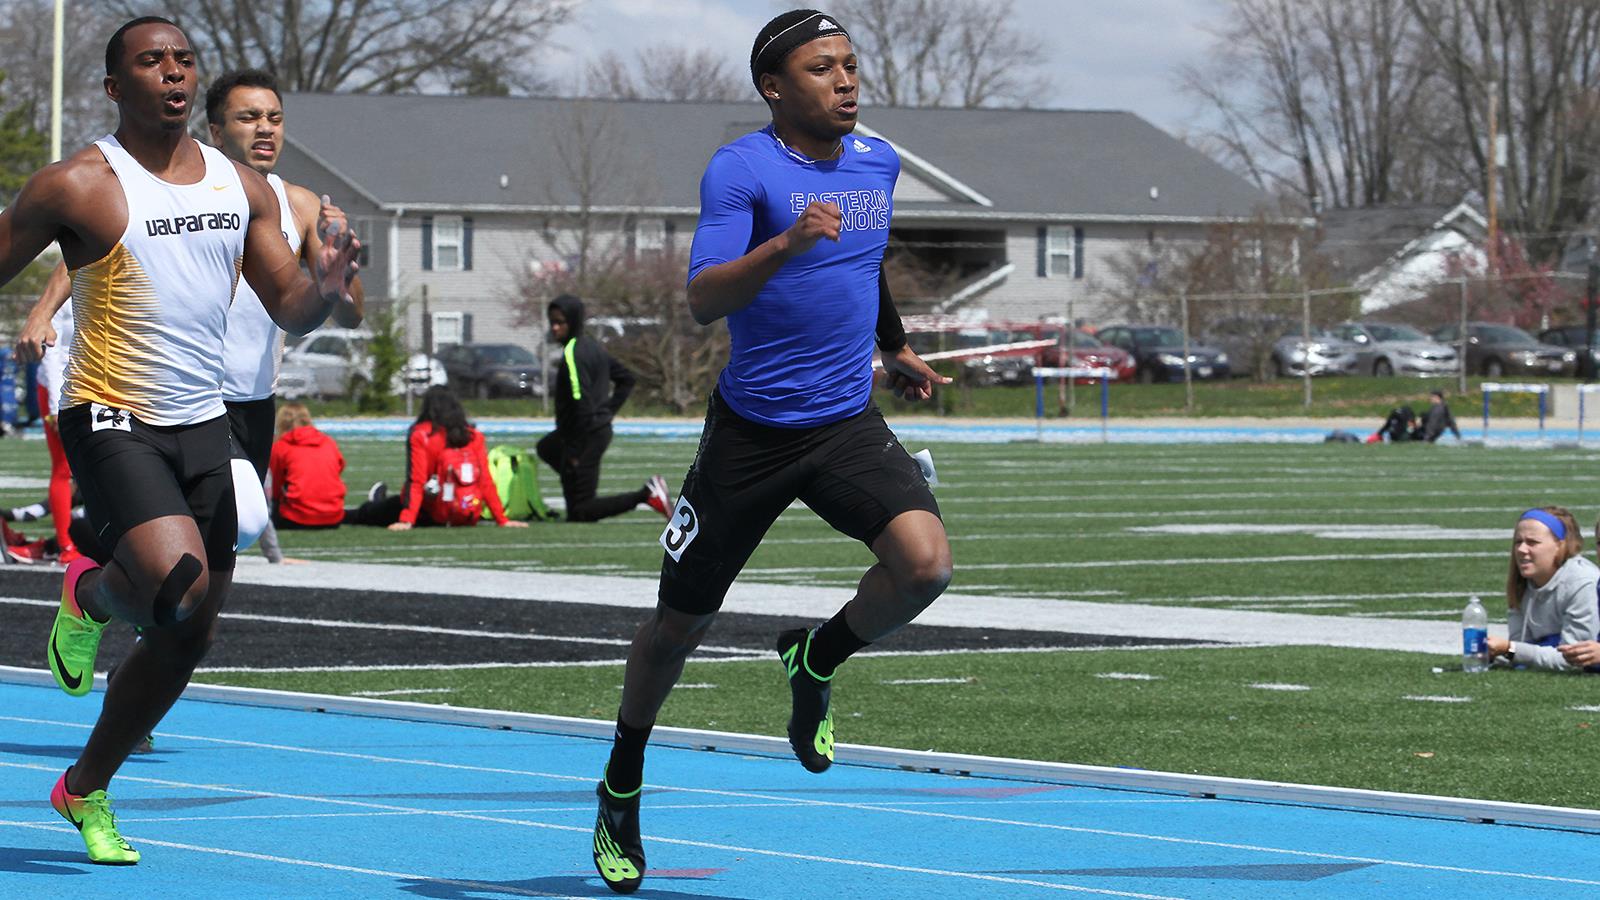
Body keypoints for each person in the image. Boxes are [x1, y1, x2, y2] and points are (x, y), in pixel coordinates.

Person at [588, 10, 951, 893]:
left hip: (843, 424)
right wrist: (785, 242)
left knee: (925, 567)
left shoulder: (879, 162)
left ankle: (815, 657)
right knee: (679, 627)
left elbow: (864, 264)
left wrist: (894, 345)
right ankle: (622, 780)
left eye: (851, 65)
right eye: (822, 68)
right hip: (749, 435)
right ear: (775, 87)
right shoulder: (741, 170)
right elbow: (704, 299)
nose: (846, 80)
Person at [0, 16, 360, 864]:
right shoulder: (77, 185)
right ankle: (90, 596)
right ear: (114, 87)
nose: (172, 73)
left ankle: (83, 786)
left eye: (183, 60)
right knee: (174, 578)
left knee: (189, 631)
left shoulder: (240, 186)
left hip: (206, 418)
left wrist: (330, 282)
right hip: (109, 412)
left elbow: (291, 307)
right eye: (150, 61)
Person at [537, 293, 671, 523]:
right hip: (591, 429)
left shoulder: (573, 353)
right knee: (547, 447)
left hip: (585, 434)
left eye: (560, 322)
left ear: (574, 321)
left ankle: (646, 494)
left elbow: (582, 401)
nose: (555, 327)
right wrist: (607, 412)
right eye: (552, 322)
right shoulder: (591, 346)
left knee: (580, 512)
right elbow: (626, 379)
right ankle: (576, 478)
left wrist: (577, 448)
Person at [345, 386, 528, 531]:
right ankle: (378, 501)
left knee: (365, 513)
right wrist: (502, 519)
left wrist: (407, 520)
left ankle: (372, 504)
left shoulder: (422, 434)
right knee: (384, 507)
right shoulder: (473, 436)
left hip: (428, 513)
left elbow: (416, 480)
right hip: (465, 512)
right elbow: (484, 480)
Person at [1484, 507, 1599, 672]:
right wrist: (1494, 651)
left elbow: (1573, 660)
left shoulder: (1583, 582)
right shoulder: (1523, 582)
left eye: (1532, 542)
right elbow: (1521, 649)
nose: (1522, 549)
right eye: (1518, 542)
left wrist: (1510, 650)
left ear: (1560, 546)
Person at [267, 402, 345, 529]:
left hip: (296, 518)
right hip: (334, 517)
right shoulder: (328, 442)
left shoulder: (280, 447)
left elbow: (274, 486)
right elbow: (339, 469)